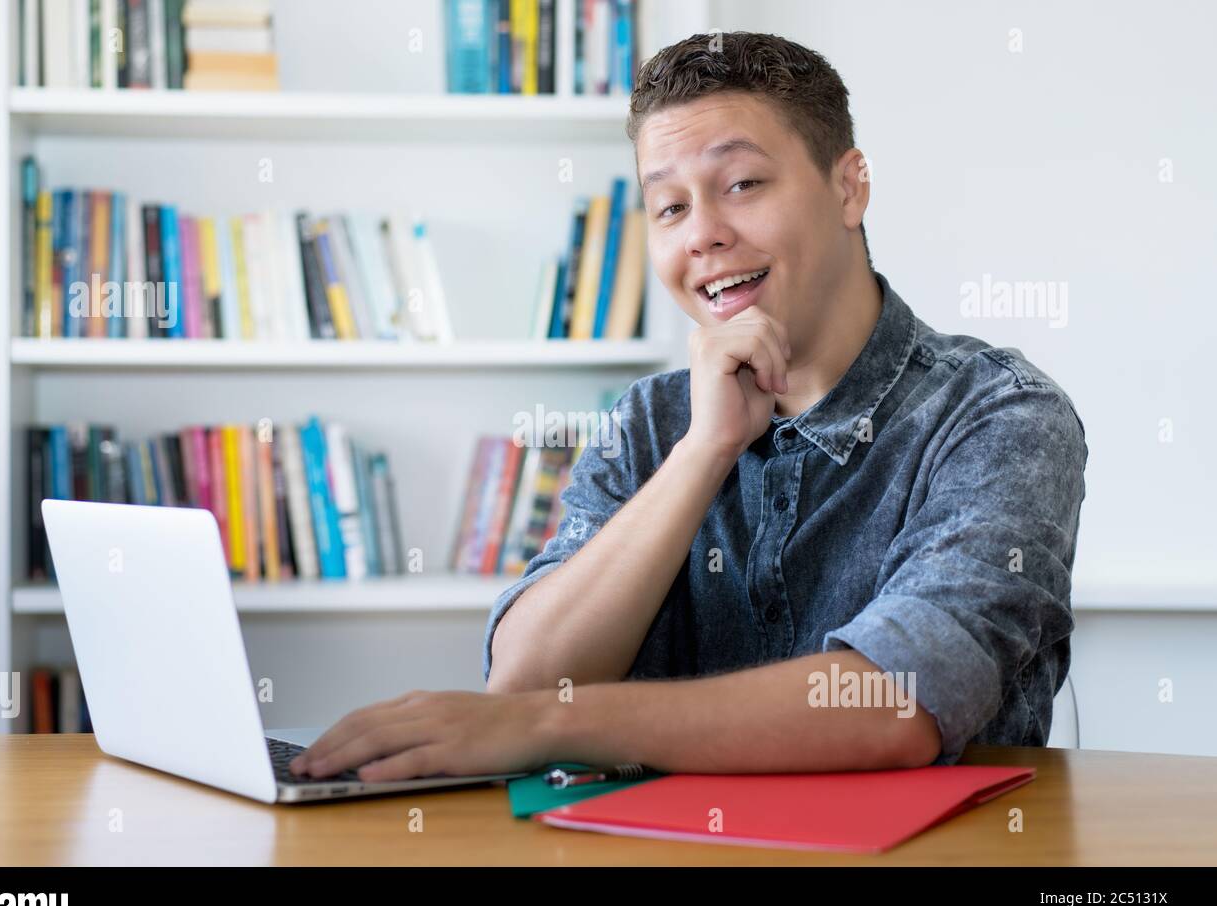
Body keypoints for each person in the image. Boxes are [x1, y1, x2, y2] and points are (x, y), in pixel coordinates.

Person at [291, 31, 1088, 783]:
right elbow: (526, 678)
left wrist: (556, 726)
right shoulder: (650, 423)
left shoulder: (999, 415)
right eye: (669, 207)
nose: (702, 235)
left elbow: (895, 702)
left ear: (849, 188)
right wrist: (704, 452)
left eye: (742, 185)